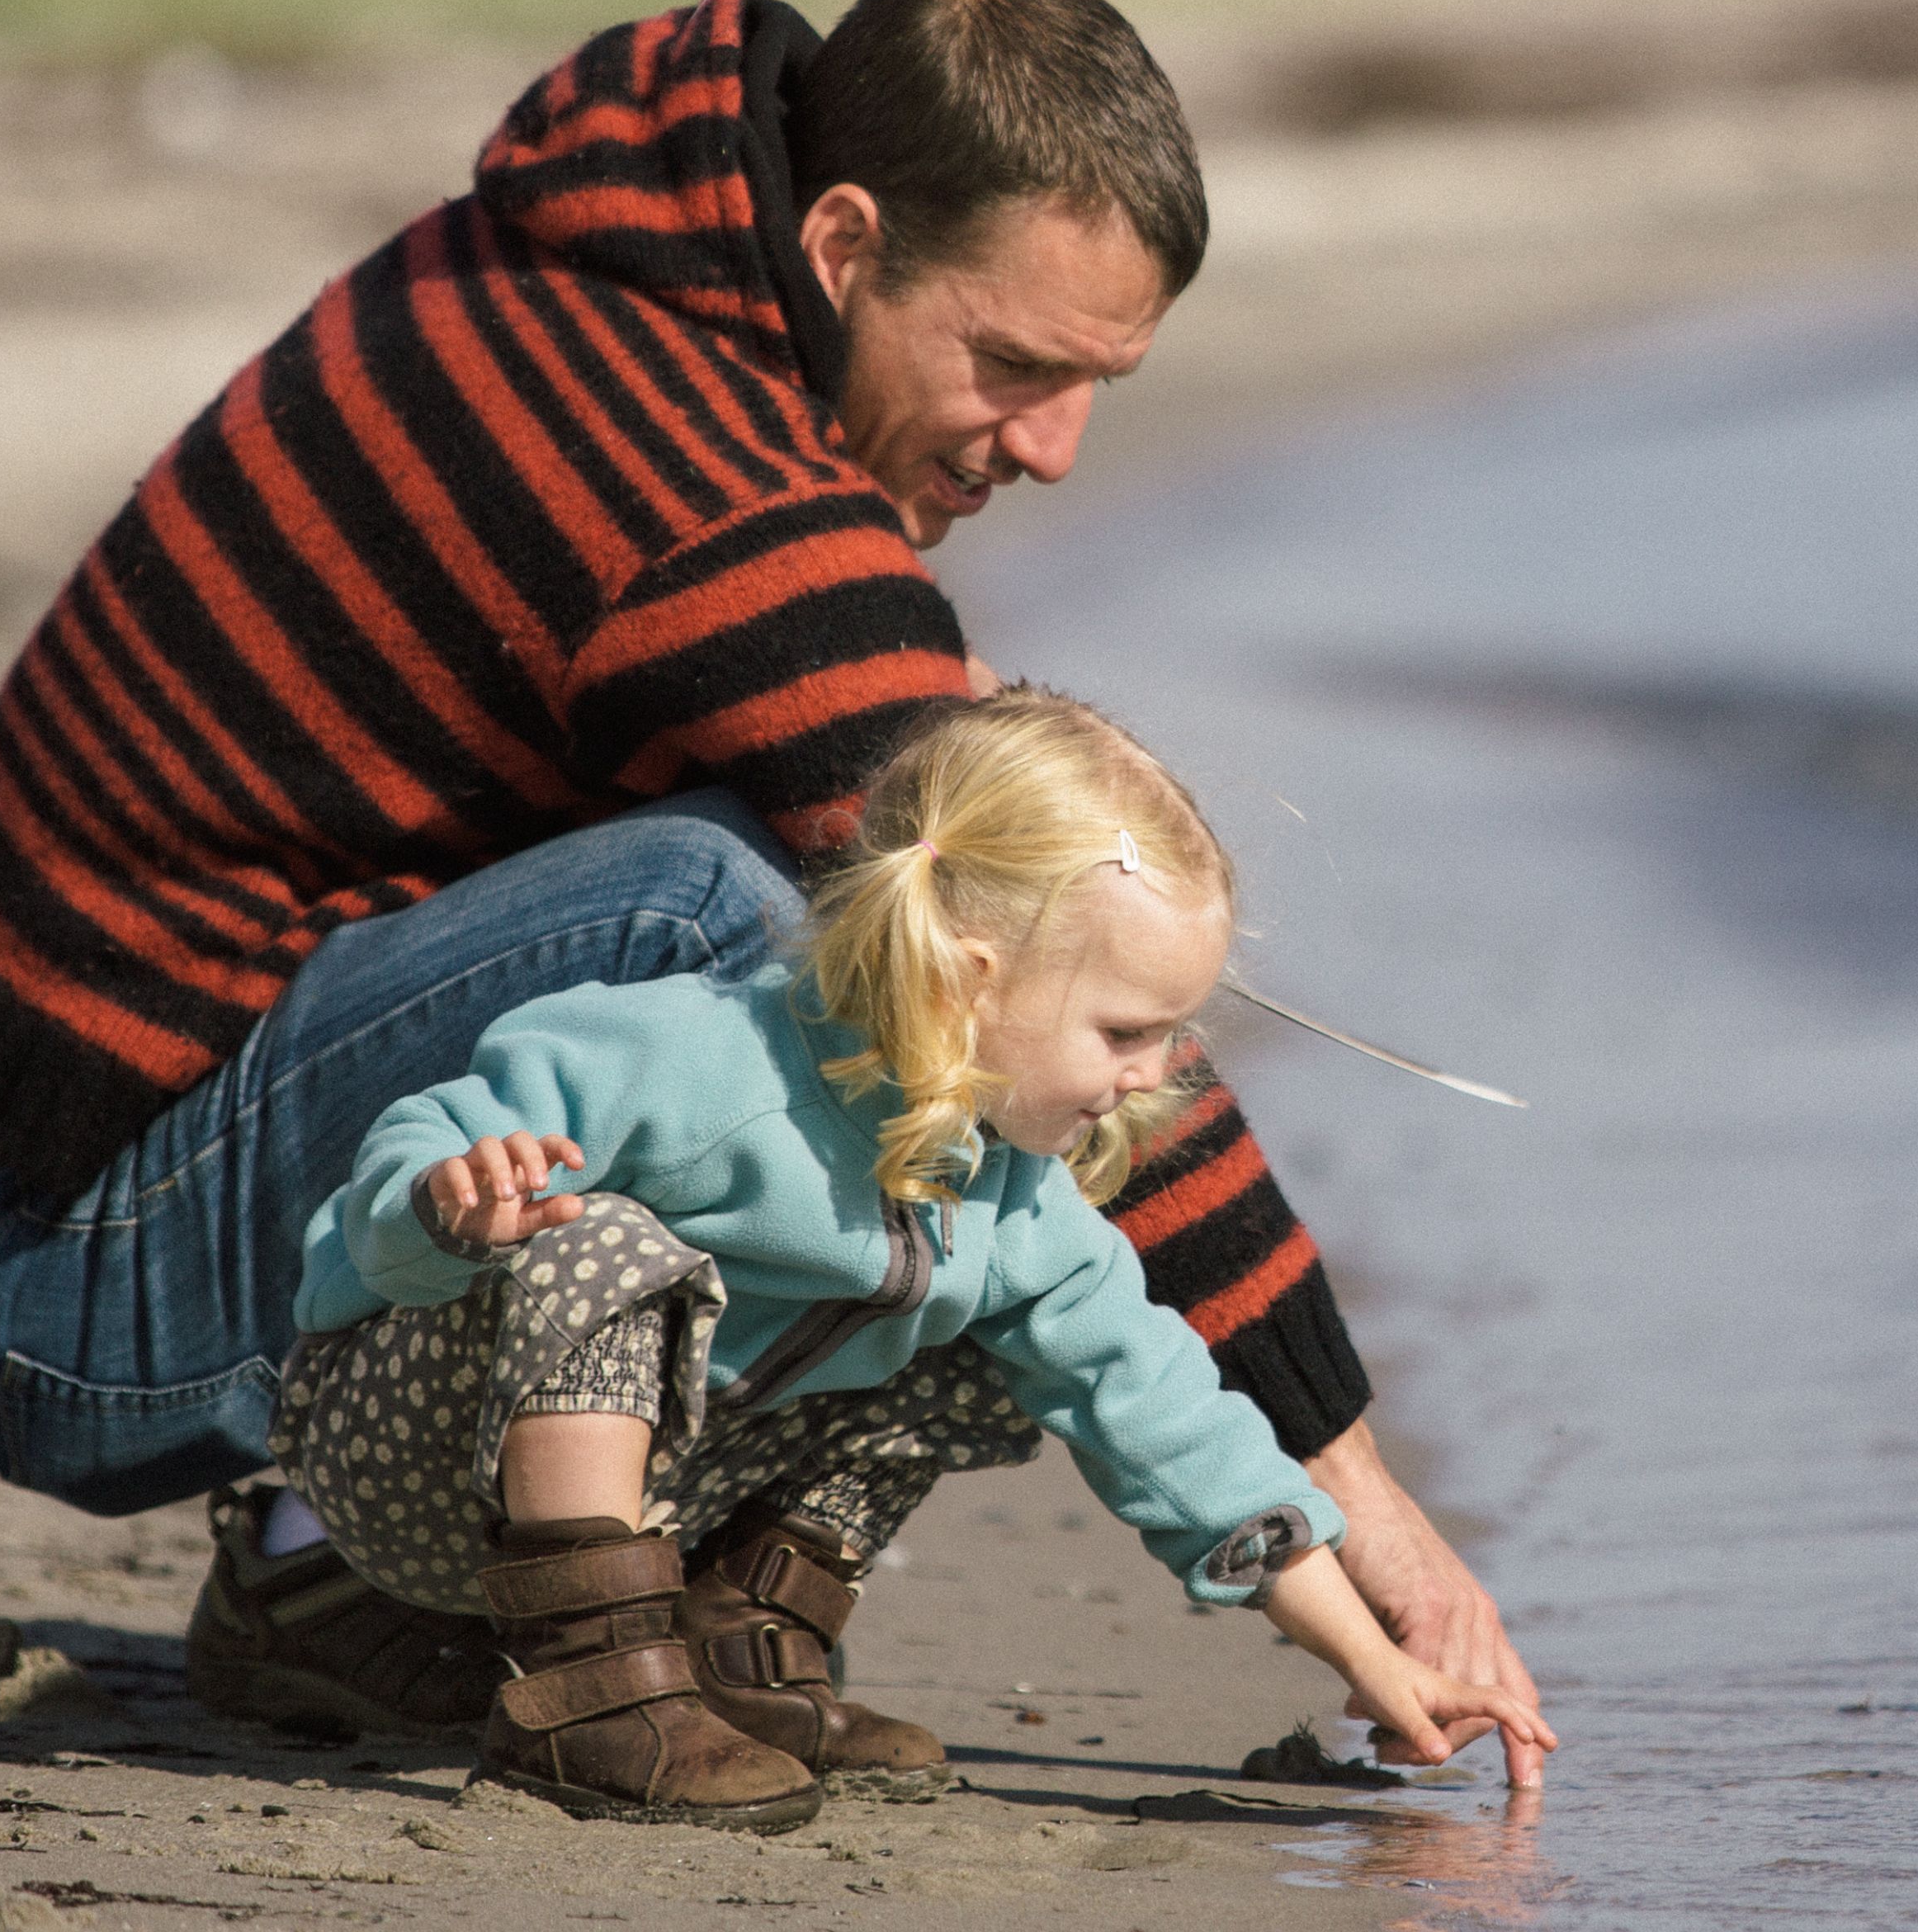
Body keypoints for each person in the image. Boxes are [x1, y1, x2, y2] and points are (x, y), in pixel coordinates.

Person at [0, 0, 1544, 1779]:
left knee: (876, 1030)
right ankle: (543, 1623)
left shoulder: (621, 275)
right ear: (844, 246)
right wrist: (1368, 1500)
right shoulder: (703, 487)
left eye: (1098, 386)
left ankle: (358, 1580)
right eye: (1018, 365)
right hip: (57, 1284)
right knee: (779, 922)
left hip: (99, 1164)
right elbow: (1050, 948)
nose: (1053, 449)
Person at [273, 689, 1556, 1827]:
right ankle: (590, 1698)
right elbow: (408, 1168)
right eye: (1128, 1030)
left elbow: (1167, 1417)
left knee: (1016, 1352)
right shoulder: (692, 1062)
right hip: (411, 1451)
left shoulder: (1011, 1202)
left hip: (664, 1501)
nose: (1162, 1074)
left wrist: (1368, 1663)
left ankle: (738, 1648)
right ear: (965, 979)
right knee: (602, 1240)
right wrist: (447, 1210)